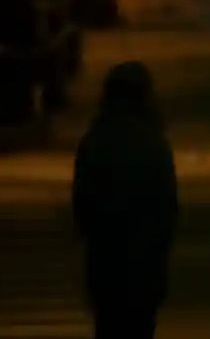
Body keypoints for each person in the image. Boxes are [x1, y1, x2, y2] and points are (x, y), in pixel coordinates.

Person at [72, 62, 178, 339]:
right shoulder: (154, 143)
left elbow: (82, 205)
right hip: (145, 263)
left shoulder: (95, 141)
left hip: (106, 260)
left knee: (108, 328)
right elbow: (167, 208)